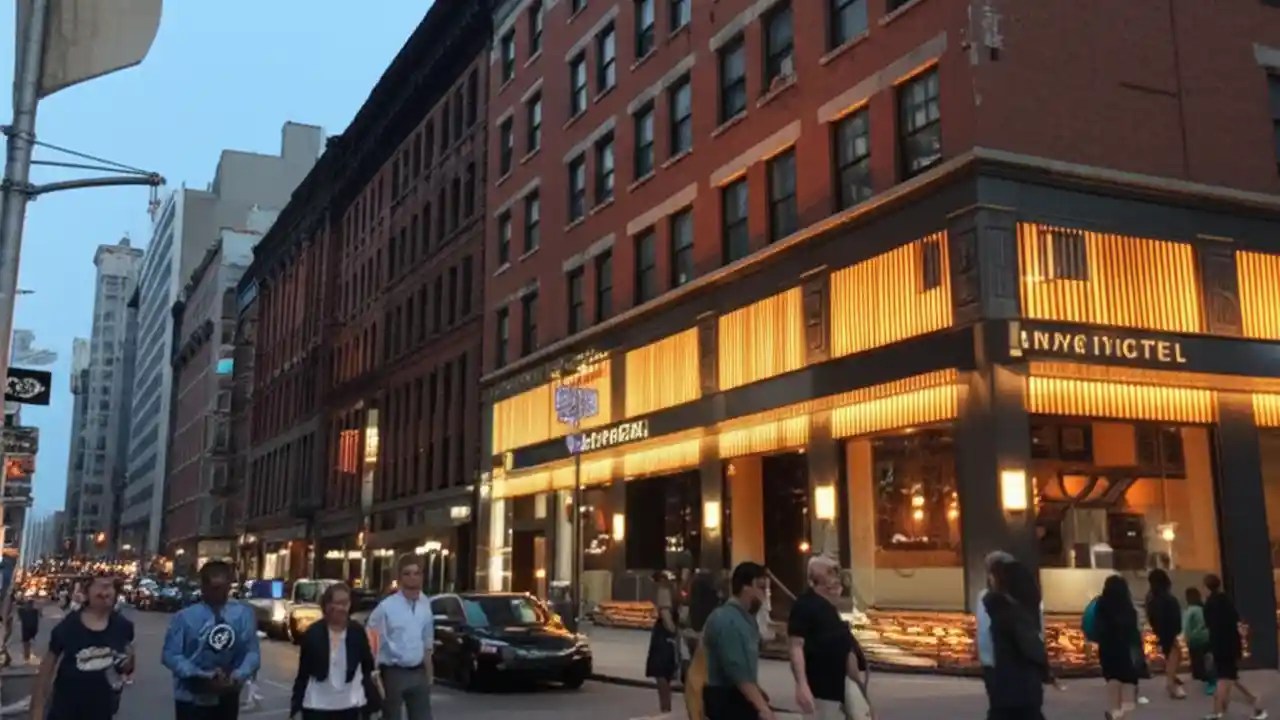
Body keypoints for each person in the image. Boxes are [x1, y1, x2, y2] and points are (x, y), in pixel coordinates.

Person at [162, 561, 261, 720]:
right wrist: (201, 675)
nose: (219, 593)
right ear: (203, 587)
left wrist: (237, 675)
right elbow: (170, 654)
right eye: (214, 588)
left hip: (227, 697)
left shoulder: (243, 615)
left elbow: (252, 652)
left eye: (224, 587)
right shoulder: (184, 618)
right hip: (191, 698)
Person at [30, 574, 135, 720]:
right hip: (64, 712)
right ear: (87, 592)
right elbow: (46, 672)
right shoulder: (68, 627)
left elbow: (126, 664)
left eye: (109, 587)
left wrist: (127, 665)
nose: (105, 593)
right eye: (99, 587)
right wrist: (37, 712)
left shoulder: (123, 627)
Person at [788, 556, 869, 720]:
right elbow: (796, 647)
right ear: (815, 579)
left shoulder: (830, 610)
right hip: (821, 692)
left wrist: (863, 694)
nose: (836, 578)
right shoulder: (805, 605)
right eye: (830, 572)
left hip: (842, 689)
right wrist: (802, 685)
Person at [291, 583, 381, 720]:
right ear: (327, 606)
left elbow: (367, 669)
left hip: (350, 705)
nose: (342, 608)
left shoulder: (356, 632)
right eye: (338, 603)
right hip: (317, 706)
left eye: (346, 603)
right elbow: (303, 674)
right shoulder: (313, 633)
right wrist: (296, 707)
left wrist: (374, 705)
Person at [703, 561, 774, 720]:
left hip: (737, 698)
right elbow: (737, 670)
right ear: (745, 588)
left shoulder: (745, 619)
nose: (765, 595)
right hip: (727, 700)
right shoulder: (727, 620)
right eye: (761, 588)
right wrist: (762, 707)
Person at [367, 554, 434, 720]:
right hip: (394, 672)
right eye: (407, 573)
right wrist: (375, 676)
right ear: (400, 577)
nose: (412, 578)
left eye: (416, 573)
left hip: (418, 670)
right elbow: (372, 641)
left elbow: (426, 640)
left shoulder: (425, 605)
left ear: (422, 576)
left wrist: (429, 673)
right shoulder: (386, 607)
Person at [983, 558, 1050, 720]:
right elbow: (1031, 648)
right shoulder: (1017, 614)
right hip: (1023, 686)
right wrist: (1046, 670)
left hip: (1003, 683)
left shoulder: (996, 609)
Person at [1202, 573, 1267, 720]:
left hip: (1220, 645)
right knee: (1228, 677)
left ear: (1206, 587)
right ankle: (1251, 703)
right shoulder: (1226, 601)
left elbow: (1209, 626)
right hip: (1230, 644)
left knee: (1224, 678)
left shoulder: (1209, 605)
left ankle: (1219, 711)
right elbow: (1235, 619)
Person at [1095, 575, 1142, 720]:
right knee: (1128, 688)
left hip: (1107, 650)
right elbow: (1135, 635)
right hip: (1126, 652)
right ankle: (1122, 716)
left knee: (1113, 680)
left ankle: (1114, 712)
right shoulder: (1129, 609)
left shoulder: (1100, 606)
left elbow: (1096, 628)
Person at [1142, 568, 1185, 699]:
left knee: (1173, 655)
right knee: (1174, 656)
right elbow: (1174, 616)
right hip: (1169, 631)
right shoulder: (1168, 598)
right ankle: (1171, 684)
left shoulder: (1151, 598)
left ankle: (1172, 678)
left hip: (1161, 631)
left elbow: (1152, 617)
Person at [645, 570, 681, 714]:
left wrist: (672, 630)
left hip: (663, 635)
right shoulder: (673, 591)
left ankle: (665, 708)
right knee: (665, 672)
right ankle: (666, 708)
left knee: (661, 671)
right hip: (667, 634)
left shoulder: (664, 591)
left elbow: (665, 615)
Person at [1182, 587, 1215, 697]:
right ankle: (1210, 677)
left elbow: (1186, 628)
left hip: (1195, 639)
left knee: (1197, 660)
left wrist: (1186, 638)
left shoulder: (1190, 610)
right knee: (1208, 659)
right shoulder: (1203, 608)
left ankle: (1202, 676)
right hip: (1207, 637)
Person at [17, 595, 39, 664]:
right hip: (29, 629)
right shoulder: (33, 611)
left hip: (29, 629)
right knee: (26, 643)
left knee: (26, 643)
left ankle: (27, 657)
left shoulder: (25, 611)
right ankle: (27, 657)